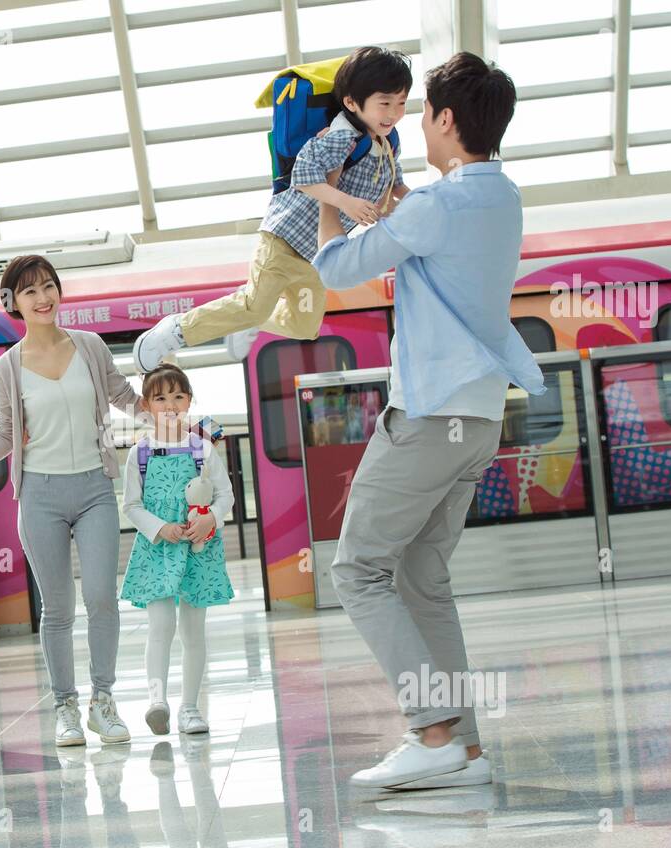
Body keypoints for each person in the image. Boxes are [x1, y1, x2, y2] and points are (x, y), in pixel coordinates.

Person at [311, 52, 547, 790]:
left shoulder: (437, 207)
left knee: (357, 570)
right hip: (477, 420)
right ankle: (466, 750)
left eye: (423, 112)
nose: (415, 121)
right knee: (422, 578)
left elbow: (336, 268)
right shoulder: (501, 197)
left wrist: (328, 195)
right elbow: (430, 236)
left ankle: (432, 728)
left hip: (428, 417)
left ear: (447, 120)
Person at [0, 255, 146, 748]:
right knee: (57, 609)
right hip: (40, 495)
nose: (43, 297)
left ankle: (103, 702)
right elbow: (6, 435)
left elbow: (124, 397)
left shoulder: (90, 346)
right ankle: (66, 708)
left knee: (101, 596)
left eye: (49, 286)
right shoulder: (5, 367)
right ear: (13, 302)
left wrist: (172, 414)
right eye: (30, 291)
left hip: (95, 487)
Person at [131, 46, 412, 373]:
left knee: (305, 325)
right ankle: (176, 330)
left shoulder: (388, 143)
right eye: (384, 103)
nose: (393, 113)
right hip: (284, 238)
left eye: (401, 102)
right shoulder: (341, 137)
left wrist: (420, 202)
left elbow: (397, 185)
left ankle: (250, 318)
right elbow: (303, 177)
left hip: (313, 256)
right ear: (352, 102)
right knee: (253, 305)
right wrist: (346, 202)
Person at [119, 363, 235, 736]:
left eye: (178, 396)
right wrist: (160, 528)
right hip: (157, 550)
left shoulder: (203, 448)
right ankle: (158, 701)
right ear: (147, 406)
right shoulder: (140, 453)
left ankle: (189, 708)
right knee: (160, 626)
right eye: (160, 397)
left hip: (199, 548)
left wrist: (211, 519)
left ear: (189, 400)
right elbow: (131, 506)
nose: (170, 404)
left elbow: (225, 495)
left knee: (193, 631)